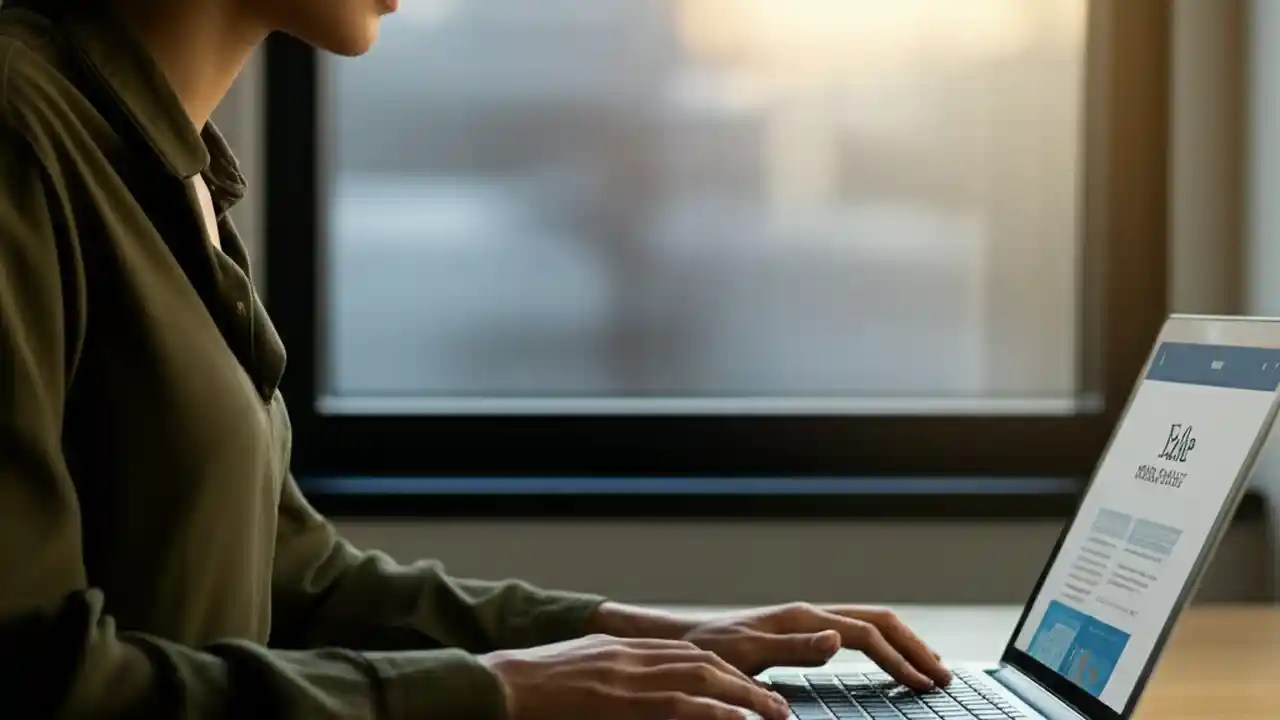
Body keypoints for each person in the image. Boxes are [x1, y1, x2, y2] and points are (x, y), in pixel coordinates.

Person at [0, 0, 953, 717]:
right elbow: (36, 676)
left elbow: (301, 581)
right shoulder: (21, 133)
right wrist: (500, 691)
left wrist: (653, 634)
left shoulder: (168, 167)